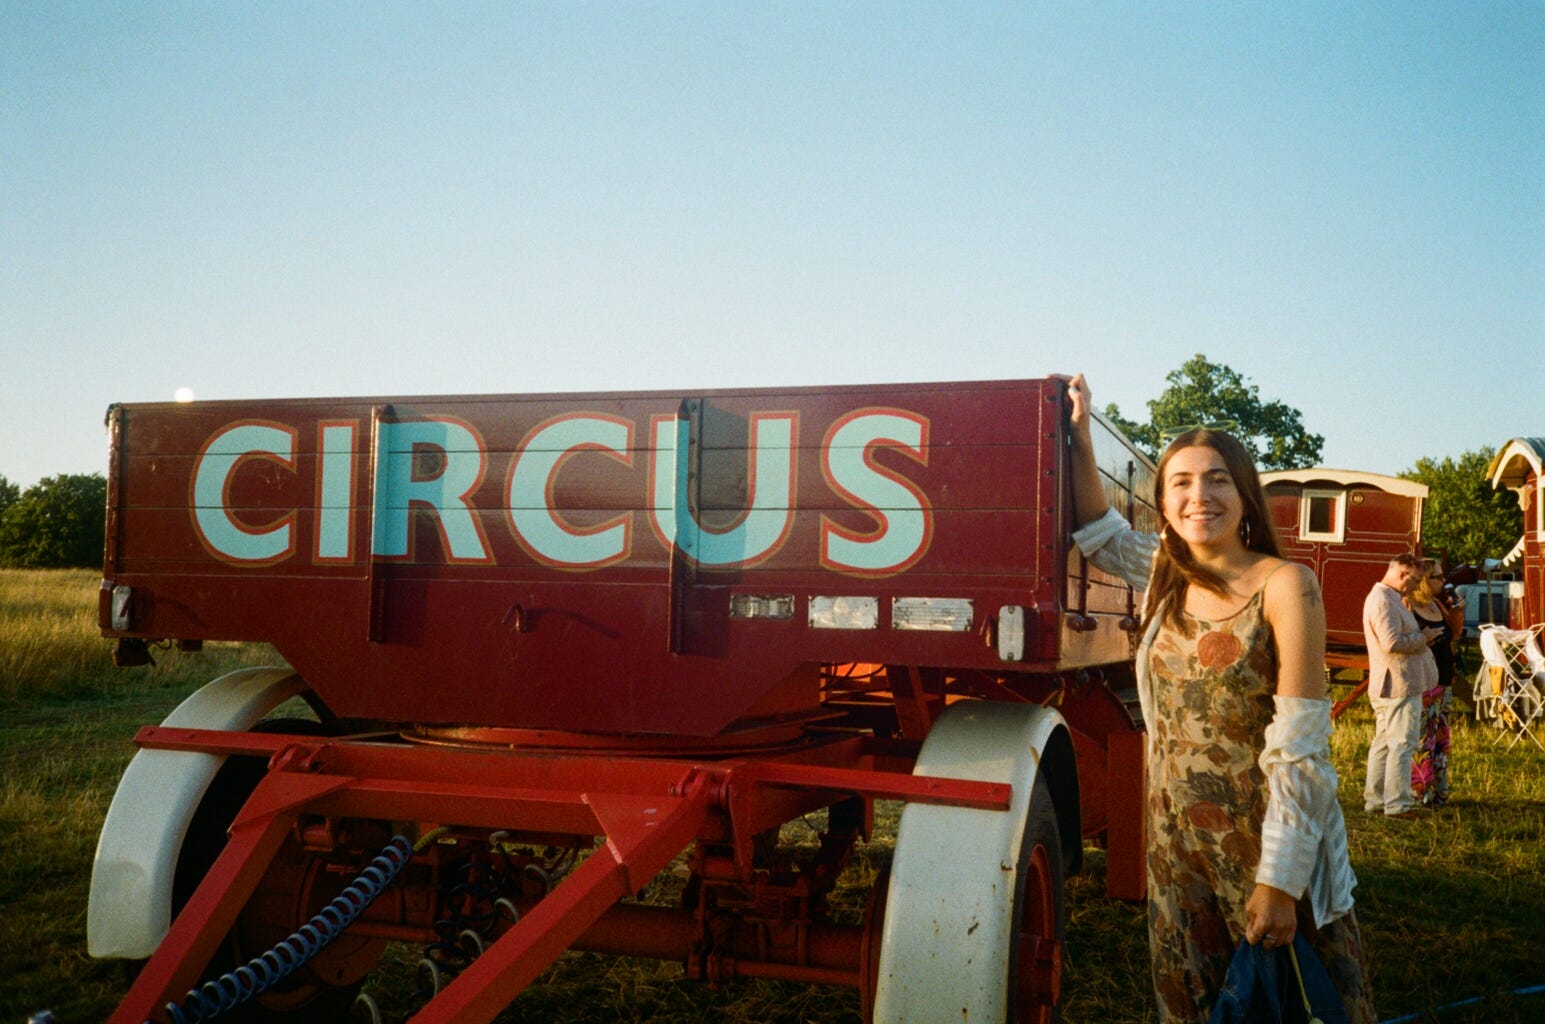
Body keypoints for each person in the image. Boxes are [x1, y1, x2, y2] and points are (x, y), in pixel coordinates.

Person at [1064, 373, 1374, 1023]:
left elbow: (1302, 749)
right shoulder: (1165, 574)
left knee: (1283, 1001)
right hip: (1174, 834)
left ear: (1245, 495)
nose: (1197, 495)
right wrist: (1080, 435)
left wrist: (1279, 882)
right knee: (1193, 998)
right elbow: (1099, 532)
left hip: (1266, 838)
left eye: (1216, 480)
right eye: (1180, 482)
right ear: (1163, 500)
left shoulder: (1286, 586)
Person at [1362, 554, 1442, 819]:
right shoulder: (1383, 601)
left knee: (1385, 742)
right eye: (1416, 580)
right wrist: (1423, 637)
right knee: (1402, 743)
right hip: (1398, 683)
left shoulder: (1388, 598)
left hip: (1392, 682)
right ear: (1402, 574)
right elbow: (1392, 643)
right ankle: (1397, 805)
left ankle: (1376, 799)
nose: (1417, 586)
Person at [1406, 559, 1462, 807]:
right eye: (1436, 577)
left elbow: (1454, 635)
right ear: (1423, 581)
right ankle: (1419, 792)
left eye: (1442, 576)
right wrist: (1424, 639)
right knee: (1422, 740)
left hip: (1444, 679)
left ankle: (1438, 793)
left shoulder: (1437, 604)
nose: (1443, 581)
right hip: (1423, 681)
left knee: (1440, 739)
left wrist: (1457, 611)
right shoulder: (1408, 606)